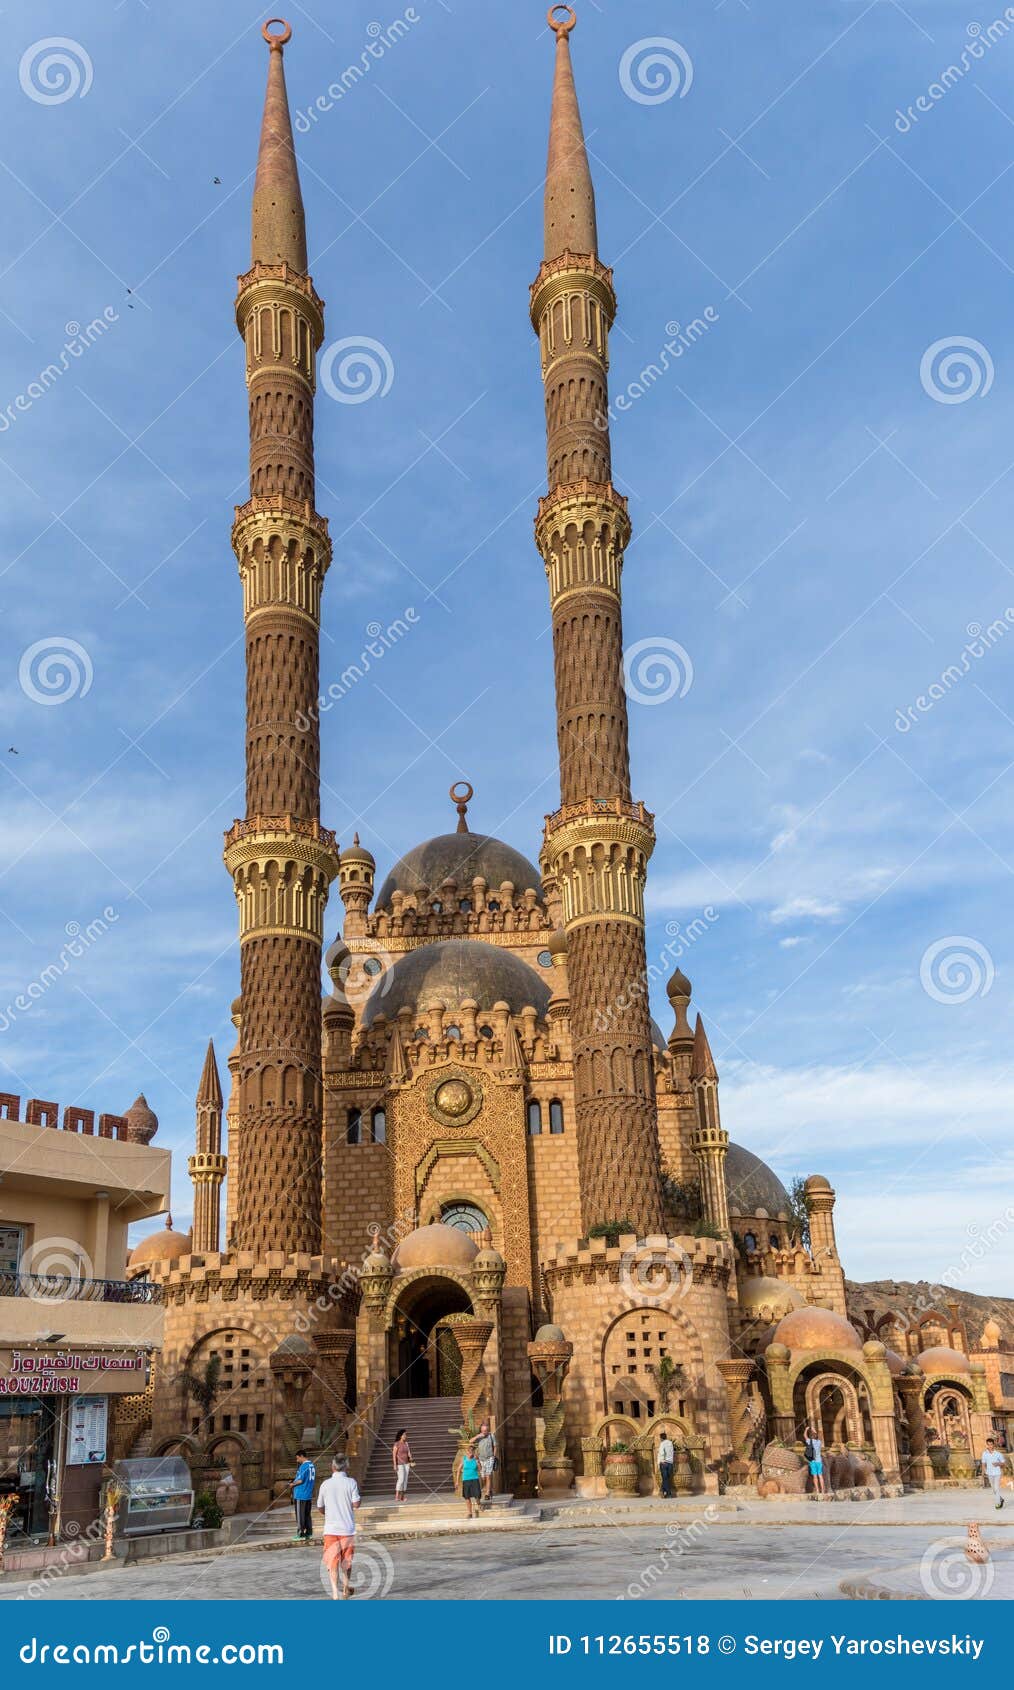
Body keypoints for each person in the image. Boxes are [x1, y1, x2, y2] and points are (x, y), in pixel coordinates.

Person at [317, 1455, 361, 1599]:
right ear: (346, 1467)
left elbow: (320, 1507)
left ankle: (335, 1593)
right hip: (347, 1529)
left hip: (330, 1530)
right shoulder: (351, 1482)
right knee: (346, 1562)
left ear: (333, 1467)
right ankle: (346, 1587)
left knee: (333, 1562)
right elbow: (356, 1504)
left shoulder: (325, 1484)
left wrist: (329, 1513)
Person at [290, 1448, 316, 1542]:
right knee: (307, 1515)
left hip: (301, 1494)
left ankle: (301, 1533)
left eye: (297, 1458)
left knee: (300, 1515)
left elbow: (301, 1480)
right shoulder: (312, 1465)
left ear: (301, 1456)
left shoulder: (304, 1466)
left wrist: (292, 1484)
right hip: (308, 1494)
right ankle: (309, 1533)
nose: (297, 1460)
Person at [474, 1419, 497, 1508]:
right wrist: (477, 1436)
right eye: (483, 1431)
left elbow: (495, 1446)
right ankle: (489, 1490)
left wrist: (494, 1457)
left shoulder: (491, 1436)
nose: (485, 1432)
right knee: (483, 1477)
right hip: (481, 1459)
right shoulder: (479, 1437)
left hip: (490, 1458)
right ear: (481, 1430)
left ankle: (487, 1493)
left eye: (486, 1431)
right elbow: (470, 1442)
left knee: (488, 1475)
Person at [980, 1437, 1007, 1509]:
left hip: (997, 1473)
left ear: (993, 1445)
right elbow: (983, 1464)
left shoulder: (998, 1454)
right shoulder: (984, 1453)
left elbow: (1003, 1463)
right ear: (987, 1445)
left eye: (991, 1444)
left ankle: (998, 1503)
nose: (990, 1446)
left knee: (997, 1488)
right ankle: (1000, 1499)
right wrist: (983, 1474)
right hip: (989, 1473)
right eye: (988, 1445)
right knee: (993, 1489)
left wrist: (998, 1464)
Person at [460, 1440, 482, 1520]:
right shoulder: (464, 1459)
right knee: (467, 1497)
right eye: (469, 1451)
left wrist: (477, 1462)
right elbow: (459, 1469)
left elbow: (480, 1469)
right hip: (466, 1479)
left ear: (474, 1452)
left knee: (477, 1495)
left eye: (472, 1451)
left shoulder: (476, 1459)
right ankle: (470, 1513)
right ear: (467, 1452)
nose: (470, 1453)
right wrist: (456, 1482)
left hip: (474, 1479)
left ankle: (479, 1503)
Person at [803, 1423, 825, 1495]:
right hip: (819, 1461)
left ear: (811, 1437)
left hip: (812, 1461)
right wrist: (813, 1429)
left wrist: (806, 1429)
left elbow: (805, 1436)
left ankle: (818, 1490)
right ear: (816, 1437)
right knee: (820, 1476)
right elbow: (816, 1435)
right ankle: (823, 1490)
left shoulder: (810, 1441)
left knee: (815, 1476)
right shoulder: (819, 1442)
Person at [392, 1428, 413, 1503]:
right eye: (404, 1434)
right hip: (399, 1464)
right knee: (401, 1479)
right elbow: (394, 1455)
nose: (405, 1436)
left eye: (406, 1434)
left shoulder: (406, 1444)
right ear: (400, 1435)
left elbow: (409, 1453)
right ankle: (397, 1496)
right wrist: (395, 1464)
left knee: (405, 1480)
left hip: (406, 1464)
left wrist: (410, 1458)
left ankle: (402, 1497)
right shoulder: (396, 1444)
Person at [657, 1431, 675, 1499]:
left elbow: (662, 1452)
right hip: (670, 1462)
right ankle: (662, 1491)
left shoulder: (662, 1443)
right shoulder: (670, 1443)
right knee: (667, 1478)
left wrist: (661, 1461)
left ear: (661, 1438)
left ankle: (668, 1493)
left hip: (664, 1463)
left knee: (665, 1478)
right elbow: (672, 1452)